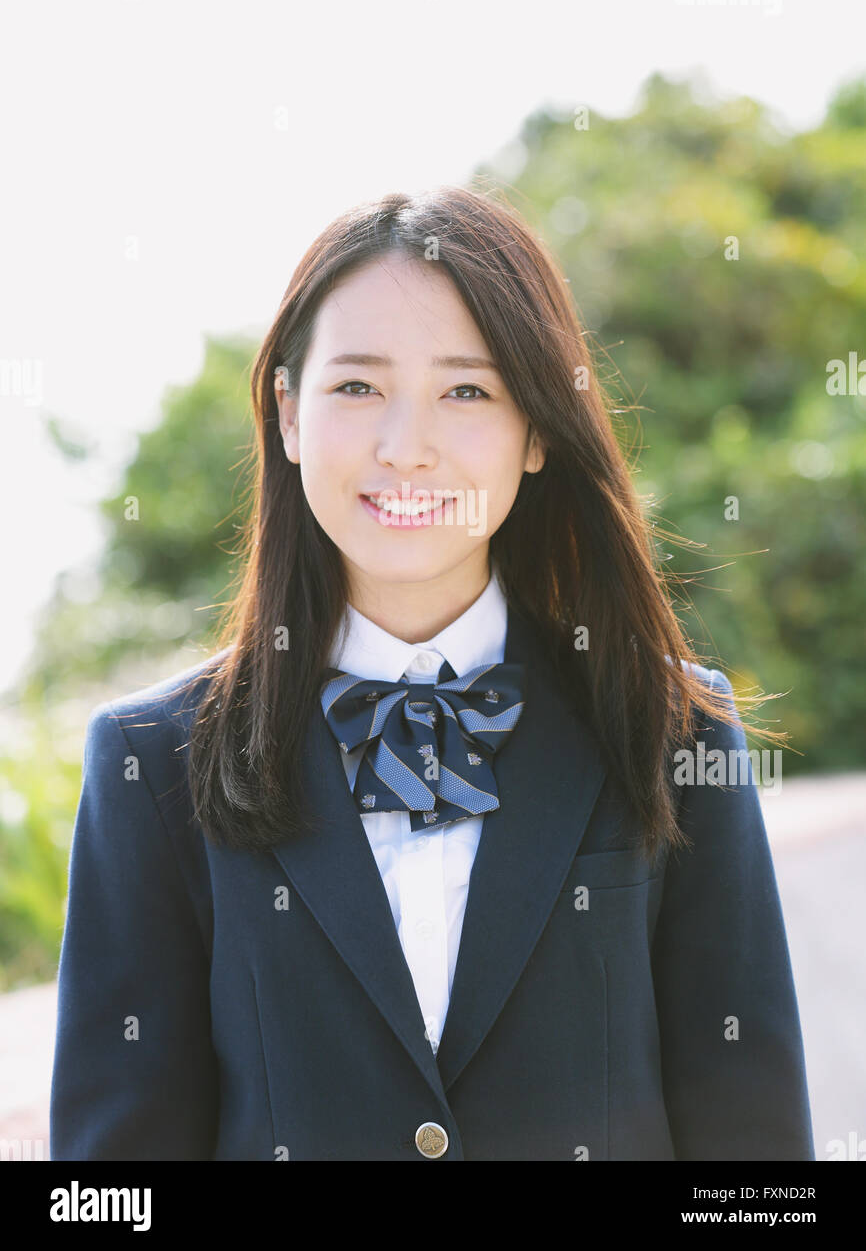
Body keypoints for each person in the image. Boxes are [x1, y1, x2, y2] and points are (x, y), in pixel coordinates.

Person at [49, 185, 814, 1161]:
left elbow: (752, 1150)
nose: (404, 448)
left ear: (537, 428)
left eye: (466, 390)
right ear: (287, 414)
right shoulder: (148, 761)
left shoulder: (673, 726)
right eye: (357, 386)